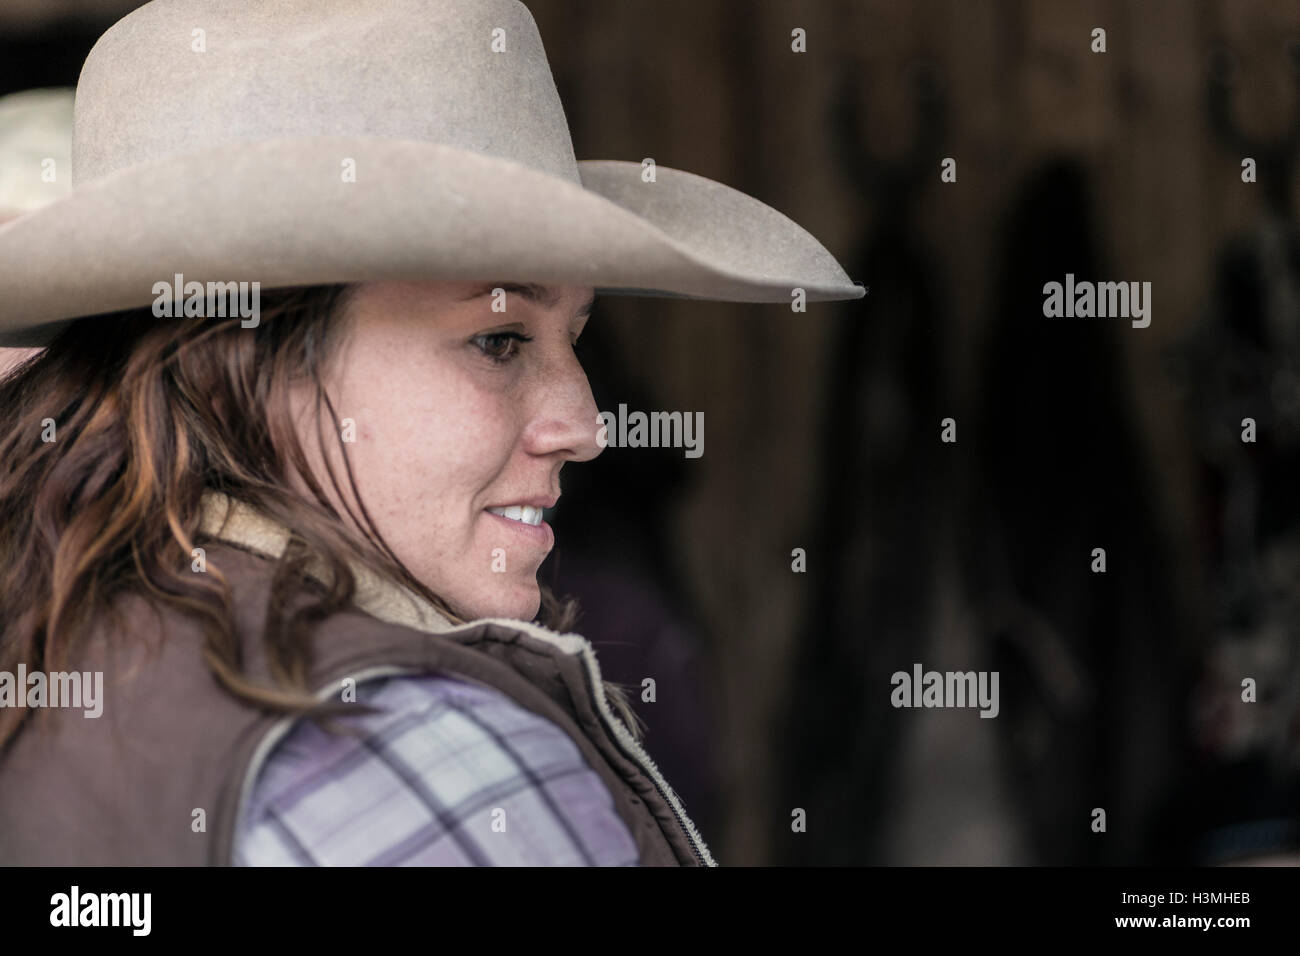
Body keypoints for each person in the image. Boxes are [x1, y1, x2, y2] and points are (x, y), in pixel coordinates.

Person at [0, 0, 863, 866]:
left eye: (576, 337)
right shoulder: (427, 757)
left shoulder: (68, 642)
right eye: (498, 340)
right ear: (239, 365)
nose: (586, 427)